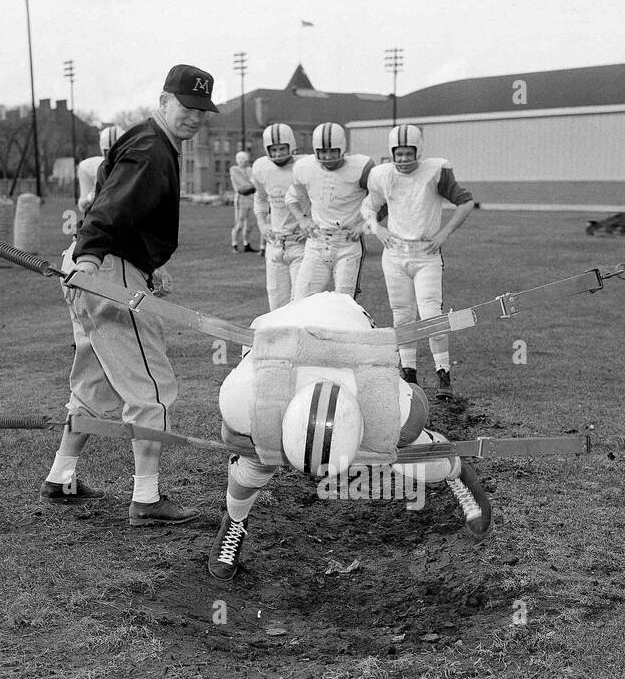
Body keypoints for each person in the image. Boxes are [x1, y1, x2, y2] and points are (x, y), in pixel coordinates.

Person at [204, 293, 493, 583]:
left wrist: (384, 443)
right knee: (256, 459)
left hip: (347, 321)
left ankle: (456, 470)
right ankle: (235, 520)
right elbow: (235, 439)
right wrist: (261, 452)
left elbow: (416, 400)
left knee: (403, 450)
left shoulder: (387, 405)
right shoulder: (244, 399)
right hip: (274, 333)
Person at [39, 63, 218, 527]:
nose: (195, 117)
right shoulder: (152, 149)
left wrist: (148, 266)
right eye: (186, 106)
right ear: (163, 102)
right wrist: (92, 260)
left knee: (94, 381)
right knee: (151, 387)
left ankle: (61, 477)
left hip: (106, 267)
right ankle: (147, 498)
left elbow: (125, 209)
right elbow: (111, 209)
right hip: (104, 272)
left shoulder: (149, 141)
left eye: (203, 110)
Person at [361, 124, 474, 399]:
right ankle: (408, 373)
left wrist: (444, 233)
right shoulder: (382, 175)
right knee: (402, 315)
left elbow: (466, 202)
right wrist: (378, 229)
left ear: (418, 151)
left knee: (431, 315)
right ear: (391, 153)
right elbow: (369, 206)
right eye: (397, 154)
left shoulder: (435, 171)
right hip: (395, 254)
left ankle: (443, 374)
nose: (402, 159)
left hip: (425, 255)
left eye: (407, 153)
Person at [285, 123, 374, 300]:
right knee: (300, 300)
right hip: (316, 242)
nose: (327, 156)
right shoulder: (304, 168)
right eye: (322, 152)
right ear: (315, 150)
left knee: (345, 304)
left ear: (342, 148)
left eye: (332, 151)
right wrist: (303, 219)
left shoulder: (362, 167)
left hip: (347, 243)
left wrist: (363, 225)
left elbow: (381, 201)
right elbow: (291, 197)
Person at [251, 122, 307, 310]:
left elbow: (322, 201)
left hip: (301, 244)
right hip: (275, 244)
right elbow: (260, 199)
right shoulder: (261, 167)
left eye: (281, 148)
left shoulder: (305, 165)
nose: (277, 154)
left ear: (291, 146)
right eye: (272, 149)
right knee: (276, 304)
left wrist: (311, 224)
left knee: (300, 302)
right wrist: (262, 224)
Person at [76, 124, 122, 214]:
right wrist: (91, 197)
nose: (113, 157)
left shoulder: (134, 165)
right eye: (109, 152)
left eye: (117, 151)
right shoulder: (89, 167)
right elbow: (82, 206)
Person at [229, 150, 259, 253]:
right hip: (241, 198)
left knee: (250, 224)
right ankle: (234, 244)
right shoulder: (234, 169)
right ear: (239, 161)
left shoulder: (250, 169)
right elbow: (242, 186)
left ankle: (247, 244)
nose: (246, 162)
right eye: (244, 160)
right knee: (239, 223)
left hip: (251, 198)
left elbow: (255, 182)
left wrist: (251, 184)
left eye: (247, 160)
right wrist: (251, 184)